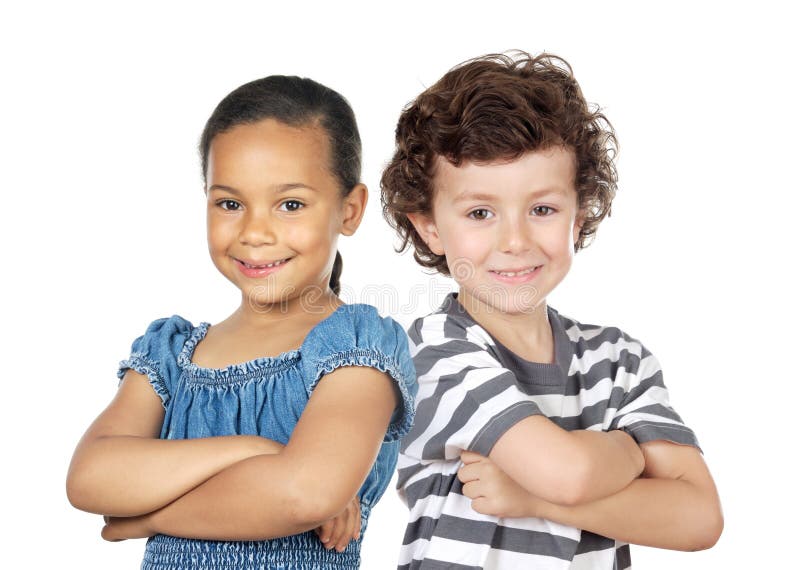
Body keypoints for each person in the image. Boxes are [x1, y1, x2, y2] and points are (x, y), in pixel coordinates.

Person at [381, 51, 722, 569]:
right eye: (480, 212)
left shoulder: (620, 361)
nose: (514, 240)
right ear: (429, 226)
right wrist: (628, 451)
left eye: (542, 209)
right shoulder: (431, 352)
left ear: (579, 212)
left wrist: (533, 501)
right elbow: (568, 472)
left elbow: (699, 518)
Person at [67, 75, 417, 570]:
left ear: (350, 210)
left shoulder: (358, 348)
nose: (254, 232)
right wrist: (254, 451)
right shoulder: (171, 353)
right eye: (230, 203)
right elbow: (90, 477)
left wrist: (148, 518)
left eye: (290, 204)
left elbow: (304, 494)